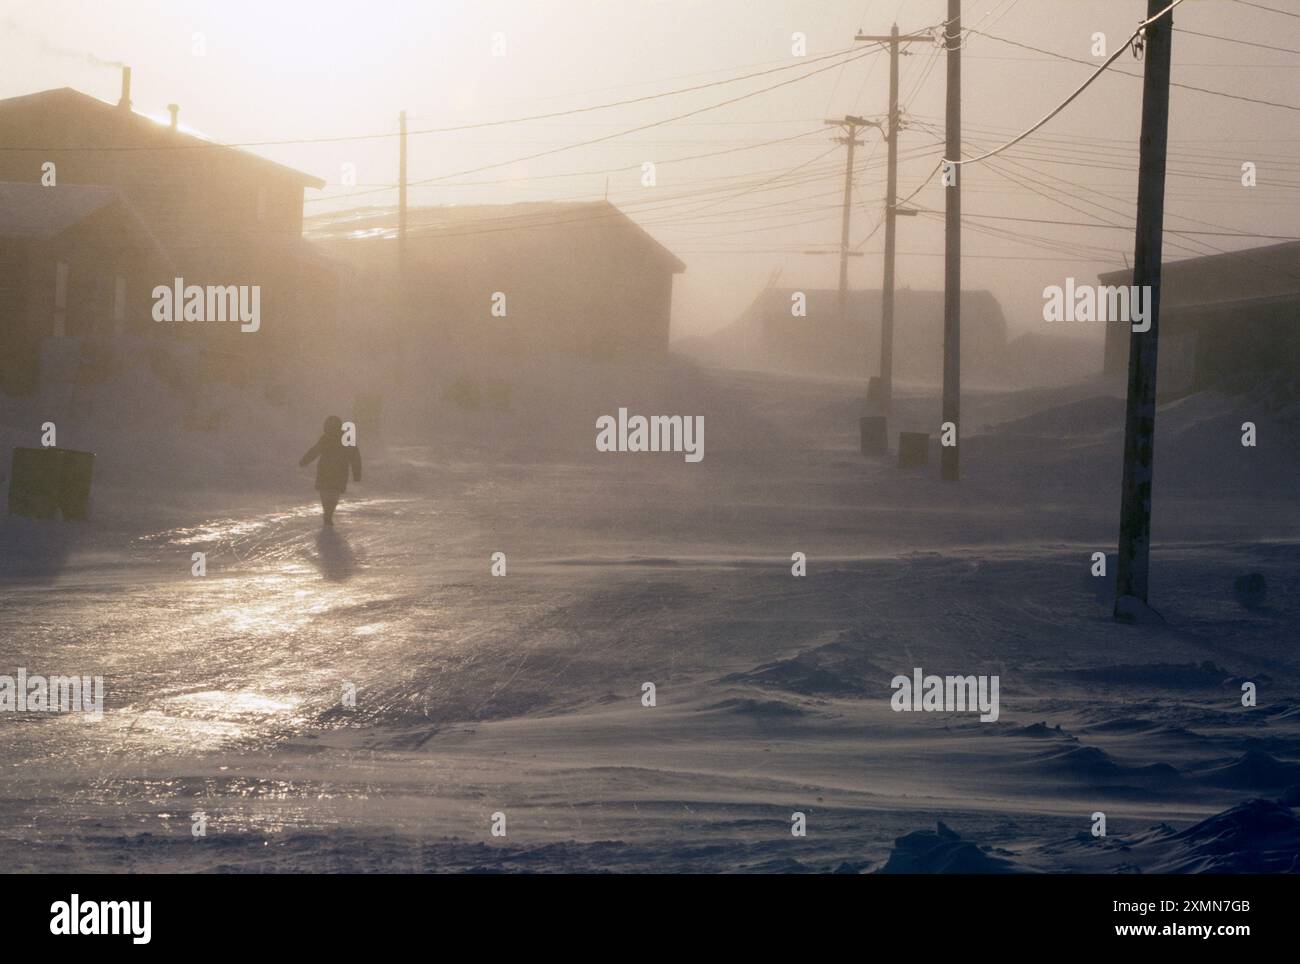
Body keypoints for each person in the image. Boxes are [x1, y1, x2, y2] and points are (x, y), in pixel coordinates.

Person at [299, 415, 361, 525]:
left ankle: (327, 513)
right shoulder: (344, 439)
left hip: (325, 471)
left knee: (326, 493)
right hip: (339, 472)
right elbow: (354, 456)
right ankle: (329, 513)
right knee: (333, 494)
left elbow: (315, 451)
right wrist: (356, 473)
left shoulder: (326, 438)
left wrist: (304, 461)